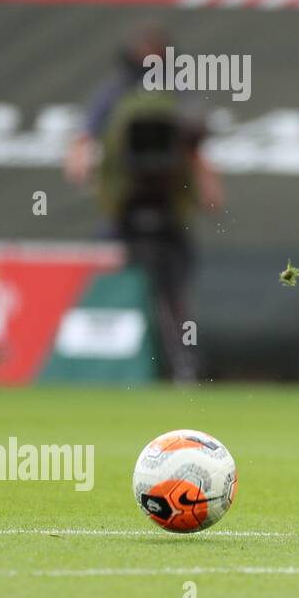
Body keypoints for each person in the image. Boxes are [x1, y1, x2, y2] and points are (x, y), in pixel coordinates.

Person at [64, 24, 223, 382]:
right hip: (125, 213)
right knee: (115, 286)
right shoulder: (120, 93)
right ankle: (108, 363)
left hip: (166, 213)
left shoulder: (173, 95)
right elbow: (83, 139)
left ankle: (183, 364)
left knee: (175, 294)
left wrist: (208, 188)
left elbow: (195, 151)